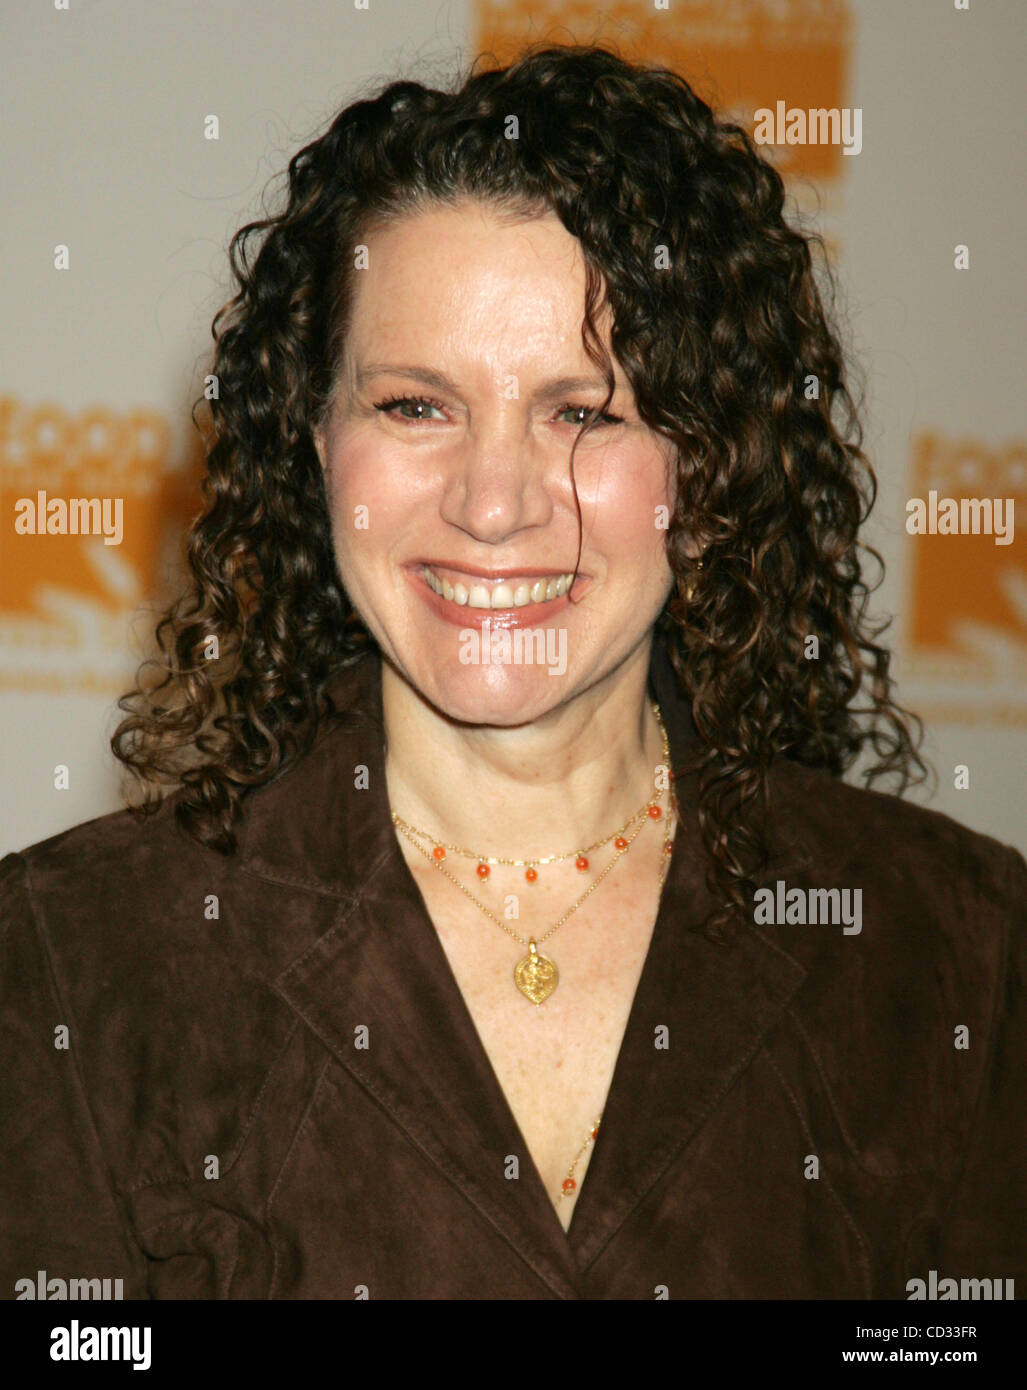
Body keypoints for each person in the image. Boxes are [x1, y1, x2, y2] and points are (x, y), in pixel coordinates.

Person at [1, 43, 1023, 1302]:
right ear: (314, 442)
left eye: (582, 412)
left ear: (708, 470)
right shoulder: (69, 955)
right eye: (414, 407)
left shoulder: (951, 948)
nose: (492, 504)